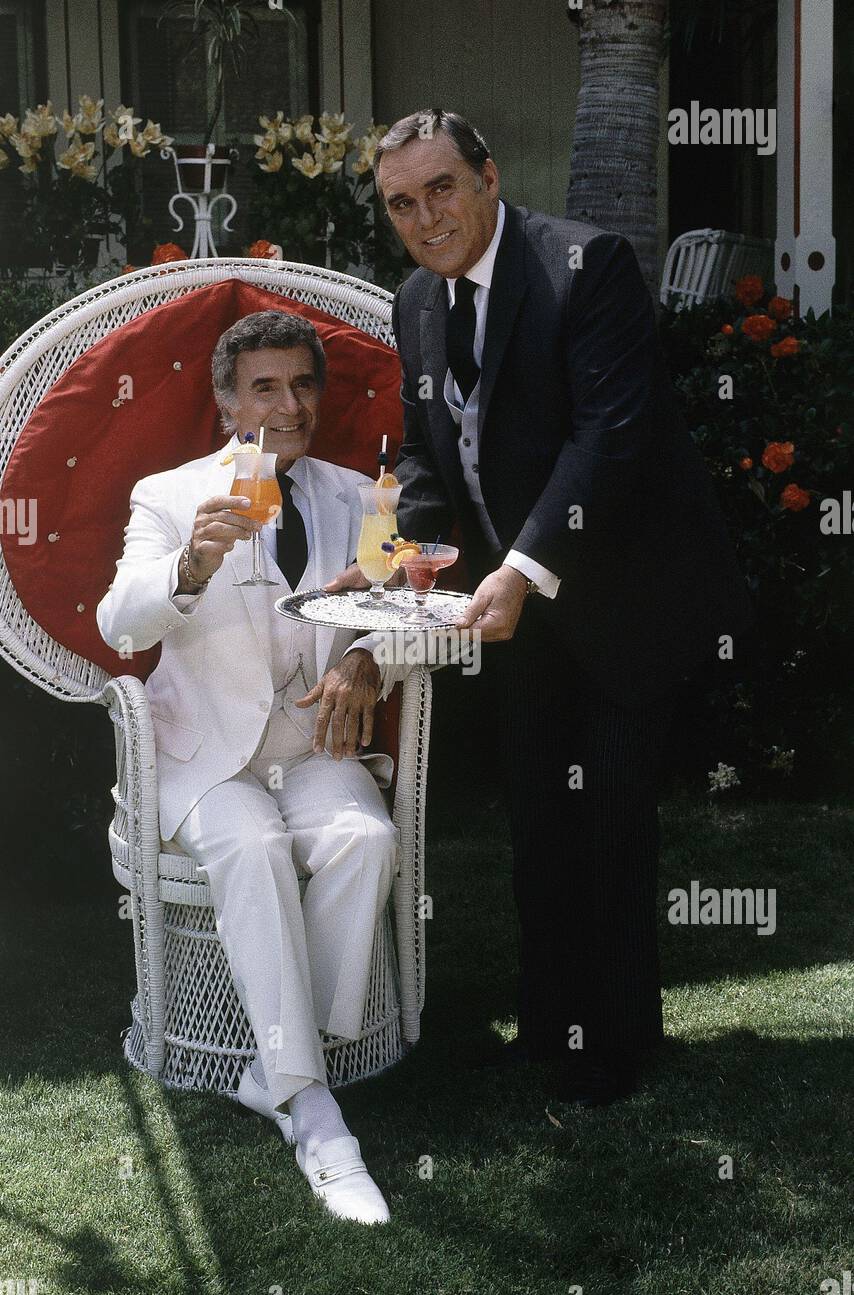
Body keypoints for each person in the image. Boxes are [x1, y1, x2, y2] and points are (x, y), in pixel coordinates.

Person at [347, 109, 755, 1105]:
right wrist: (410, 560)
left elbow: (607, 437)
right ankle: (547, 1031)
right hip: (509, 609)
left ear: (486, 176)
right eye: (401, 202)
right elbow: (429, 456)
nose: (424, 216)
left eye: (440, 187)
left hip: (619, 593)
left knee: (609, 820)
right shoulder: (413, 302)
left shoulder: (587, 263)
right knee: (539, 818)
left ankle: (612, 1050)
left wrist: (522, 570)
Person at [97, 310, 413, 1222]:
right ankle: (316, 1115)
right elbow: (120, 626)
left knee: (362, 838)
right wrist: (188, 568)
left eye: (303, 385)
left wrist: (367, 661)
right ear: (228, 400)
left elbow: (399, 611)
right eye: (264, 387)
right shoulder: (170, 496)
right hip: (210, 760)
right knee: (251, 848)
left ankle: (268, 1067)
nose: (288, 404)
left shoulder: (363, 496)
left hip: (310, 746)